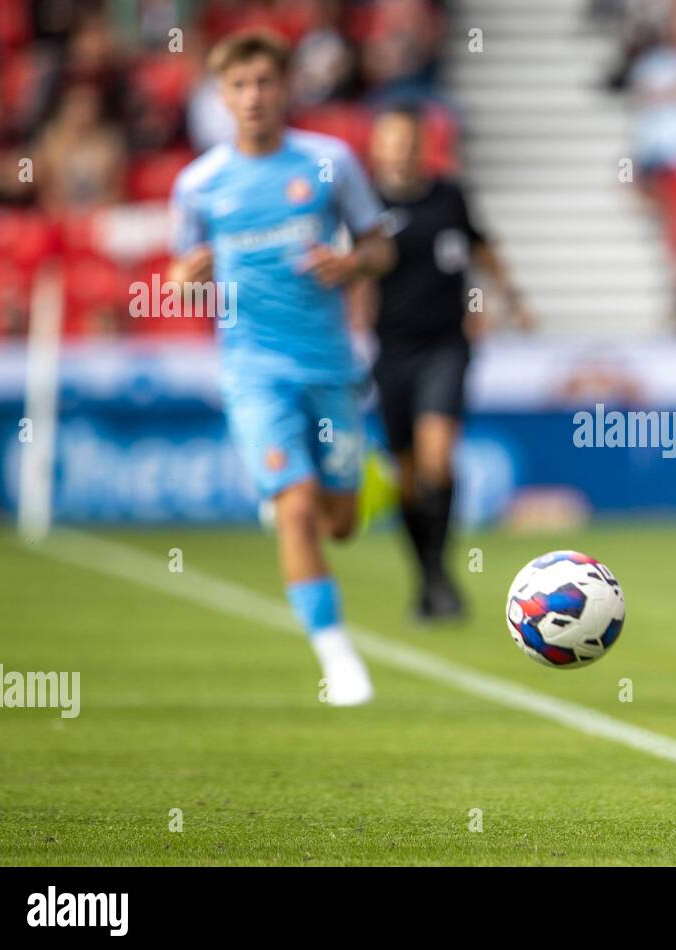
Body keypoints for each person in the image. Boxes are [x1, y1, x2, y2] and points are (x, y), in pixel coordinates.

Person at [168, 30, 394, 705]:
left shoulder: (330, 163)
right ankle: (337, 658)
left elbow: (381, 247)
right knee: (296, 508)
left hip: (330, 365)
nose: (254, 96)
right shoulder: (199, 184)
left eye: (265, 82)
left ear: (285, 87)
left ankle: (306, 498)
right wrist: (185, 280)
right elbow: (181, 275)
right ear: (222, 96)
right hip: (252, 368)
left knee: (341, 520)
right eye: (240, 86)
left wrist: (351, 263)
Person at [367, 104, 530, 620]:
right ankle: (428, 577)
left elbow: (482, 247)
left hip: (446, 346)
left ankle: (439, 578)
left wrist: (510, 299)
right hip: (390, 351)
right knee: (408, 476)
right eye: (391, 142)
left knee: (437, 458)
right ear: (378, 148)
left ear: (422, 147)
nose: (401, 152)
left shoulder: (449, 196)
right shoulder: (365, 205)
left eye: (409, 142)